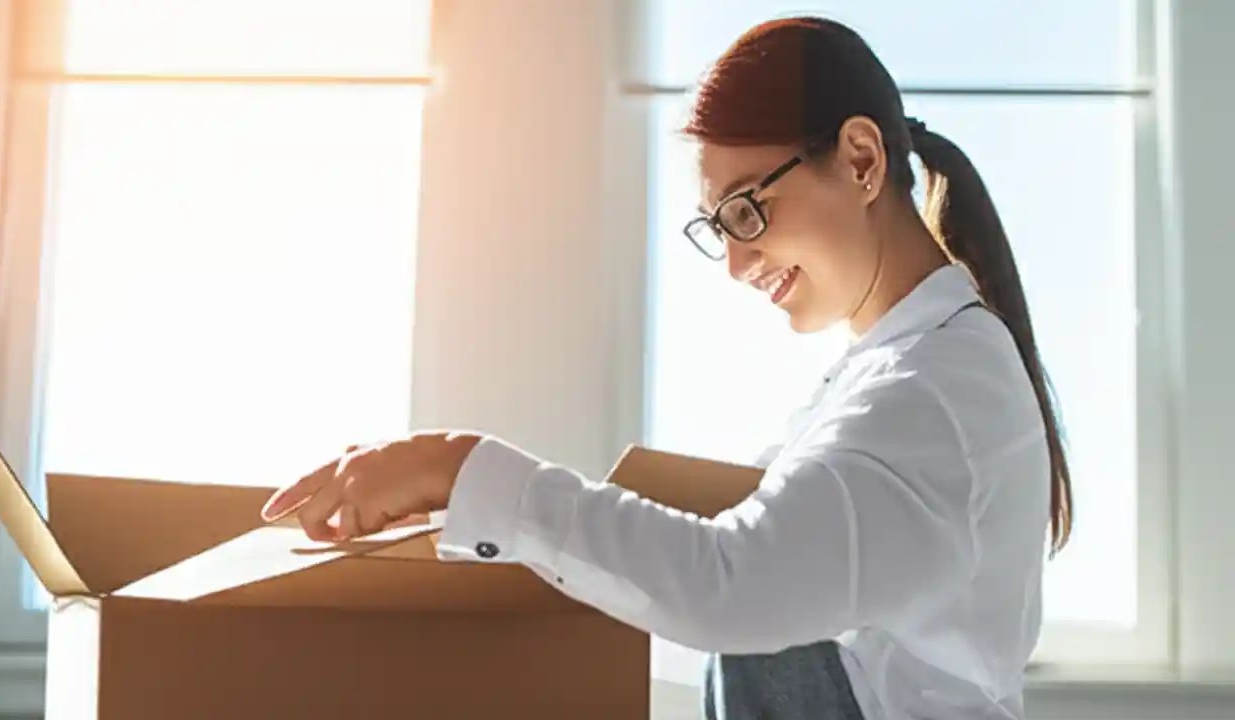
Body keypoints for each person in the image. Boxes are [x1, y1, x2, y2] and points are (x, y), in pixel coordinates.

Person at [262, 16, 1071, 720]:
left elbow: (732, 588)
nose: (737, 263)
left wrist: (457, 465)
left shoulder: (933, 390)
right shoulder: (891, 374)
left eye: (747, 210)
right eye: (718, 229)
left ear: (861, 160)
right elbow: (689, 597)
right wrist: (480, 528)